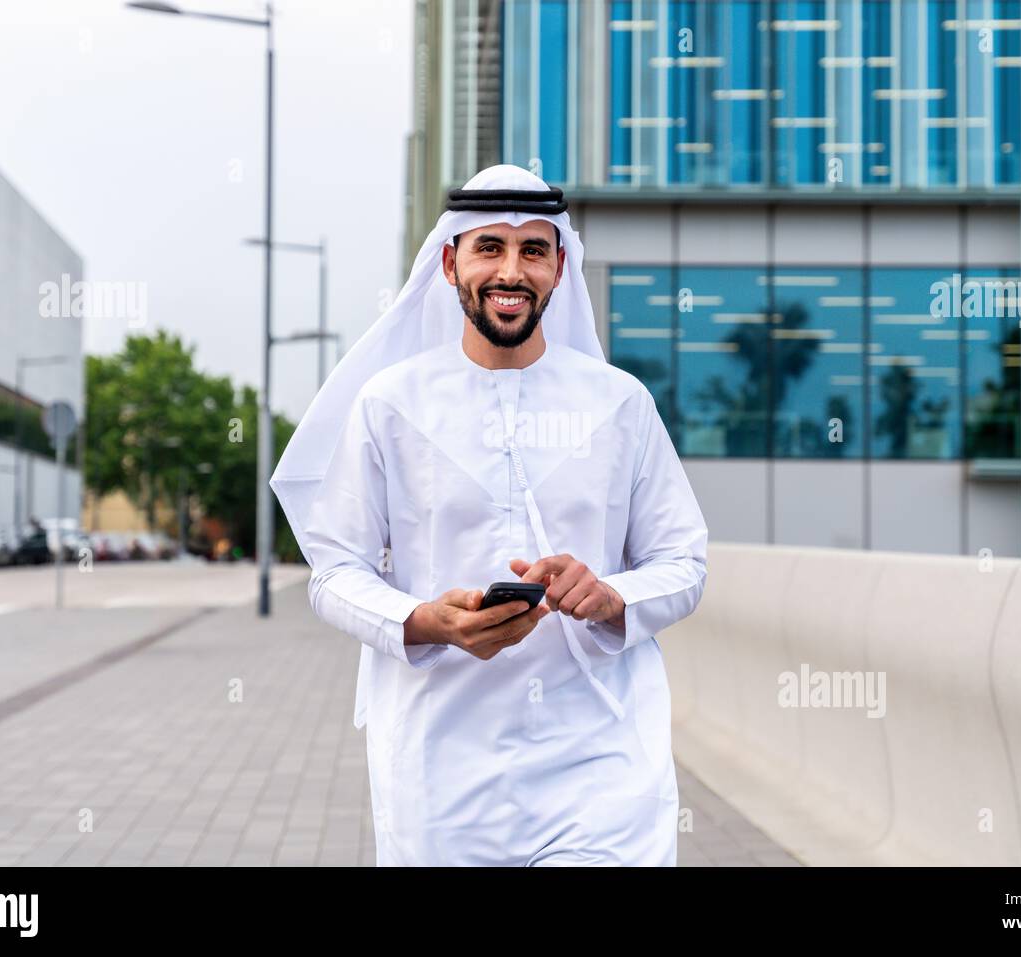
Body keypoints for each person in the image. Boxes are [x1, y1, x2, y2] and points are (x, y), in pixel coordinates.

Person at [271, 164, 708, 866]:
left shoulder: (621, 403)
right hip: (442, 771)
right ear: (450, 262)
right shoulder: (391, 403)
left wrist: (610, 594)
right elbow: (333, 572)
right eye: (490, 249)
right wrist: (424, 620)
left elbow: (685, 560)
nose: (512, 270)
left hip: (599, 764)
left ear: (559, 266)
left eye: (533, 249)